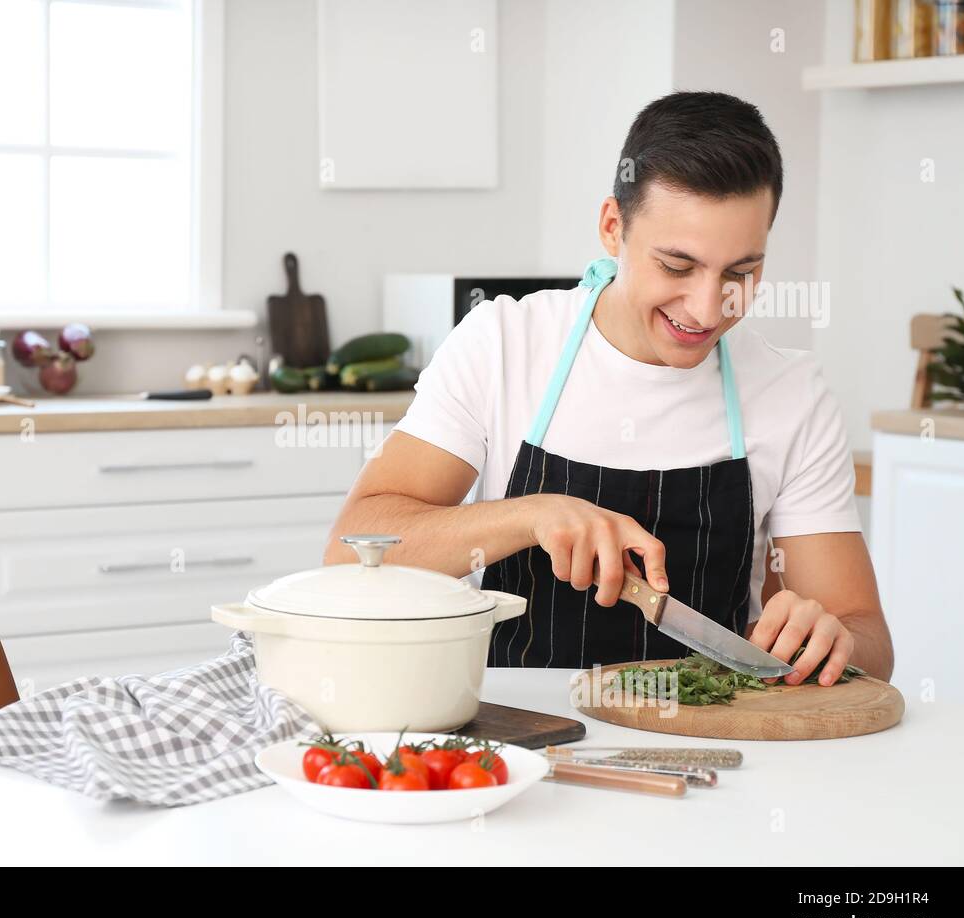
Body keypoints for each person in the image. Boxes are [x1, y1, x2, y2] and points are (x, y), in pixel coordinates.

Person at [325, 91, 893, 684]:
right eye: (677, 267)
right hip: (520, 739)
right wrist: (530, 517)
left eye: (740, 272)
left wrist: (835, 639)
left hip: (714, 749)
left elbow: (871, 640)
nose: (705, 308)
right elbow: (349, 551)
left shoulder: (791, 393)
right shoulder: (503, 343)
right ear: (612, 227)